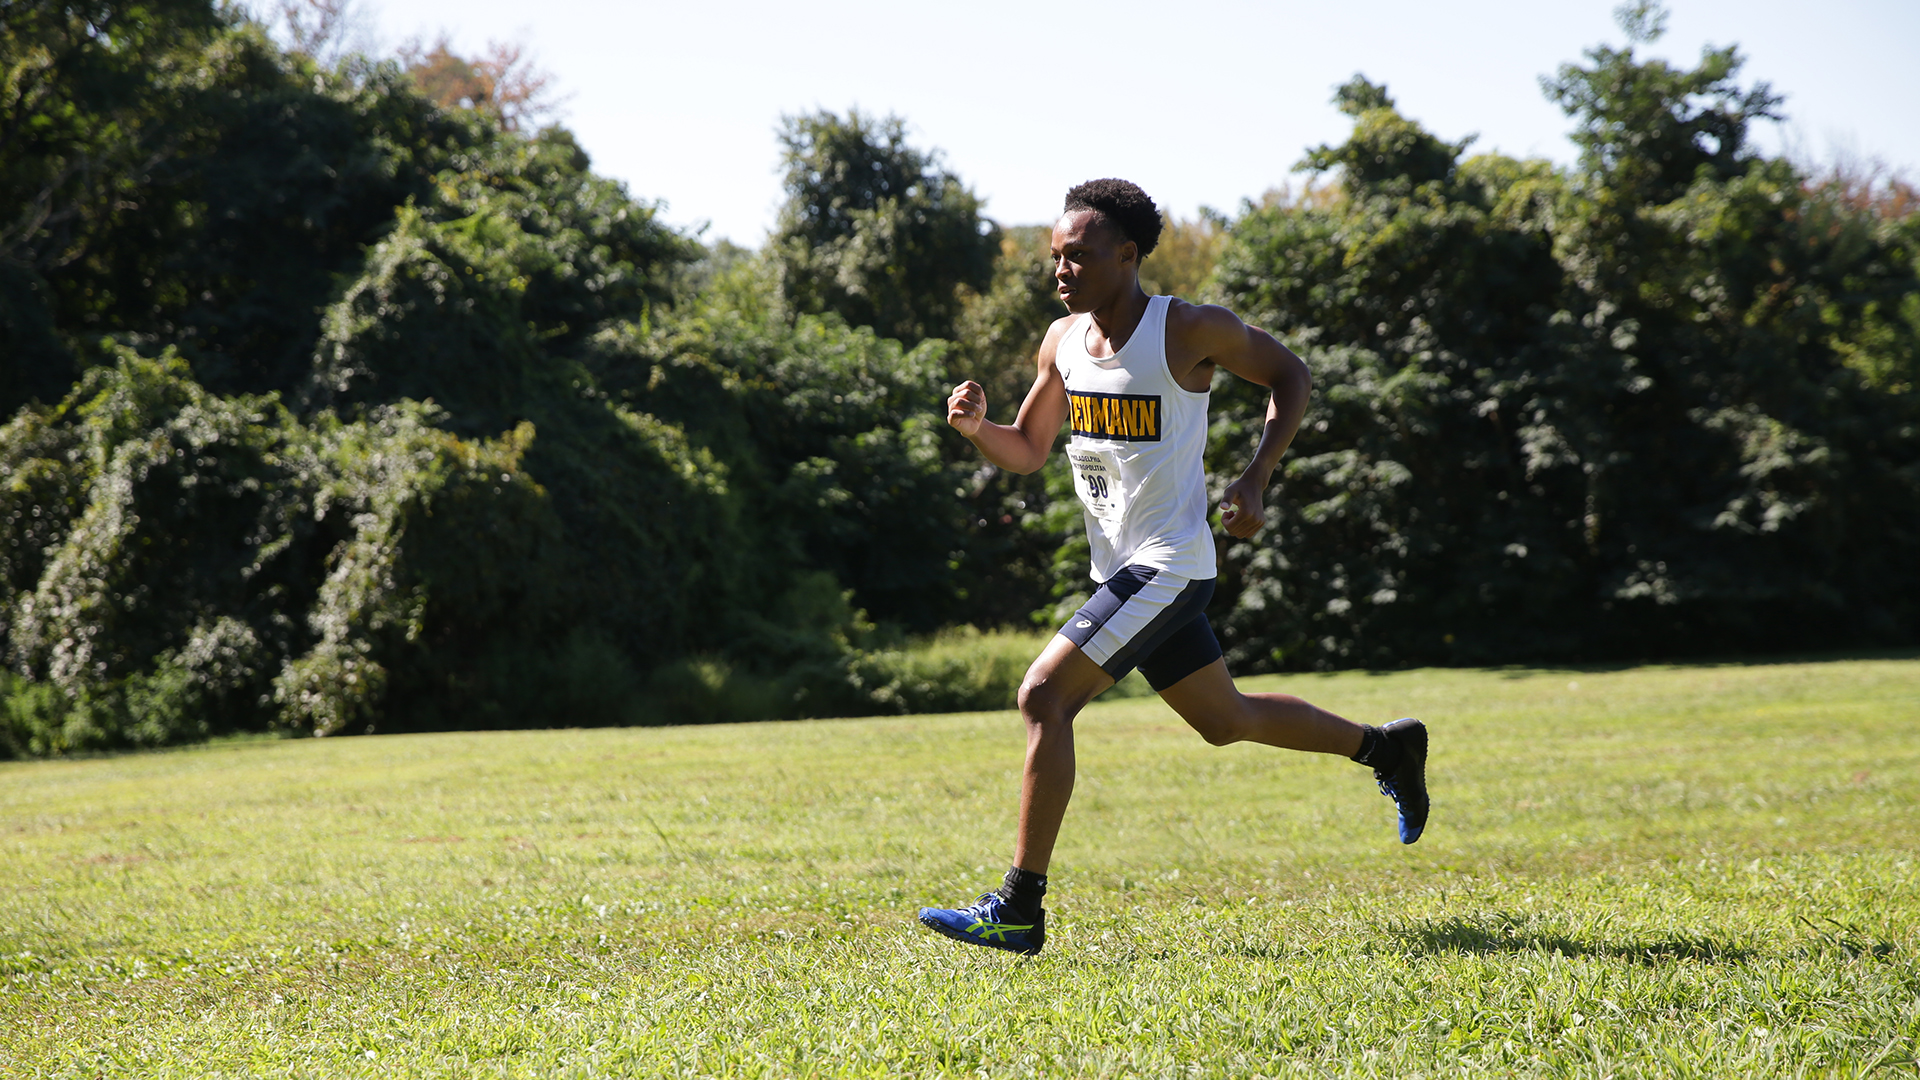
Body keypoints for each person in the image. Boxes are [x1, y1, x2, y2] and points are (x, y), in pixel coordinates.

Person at [917, 179, 1429, 957]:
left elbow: (1291, 375)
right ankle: (1387, 748)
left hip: (1171, 565)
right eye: (1055, 257)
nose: (1062, 271)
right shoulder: (1062, 342)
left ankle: (1018, 907)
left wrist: (1257, 475)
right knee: (1227, 722)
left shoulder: (1188, 328)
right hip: (1120, 571)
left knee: (1044, 696)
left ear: (1127, 256)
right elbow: (1026, 448)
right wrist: (977, 429)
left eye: (1079, 256)